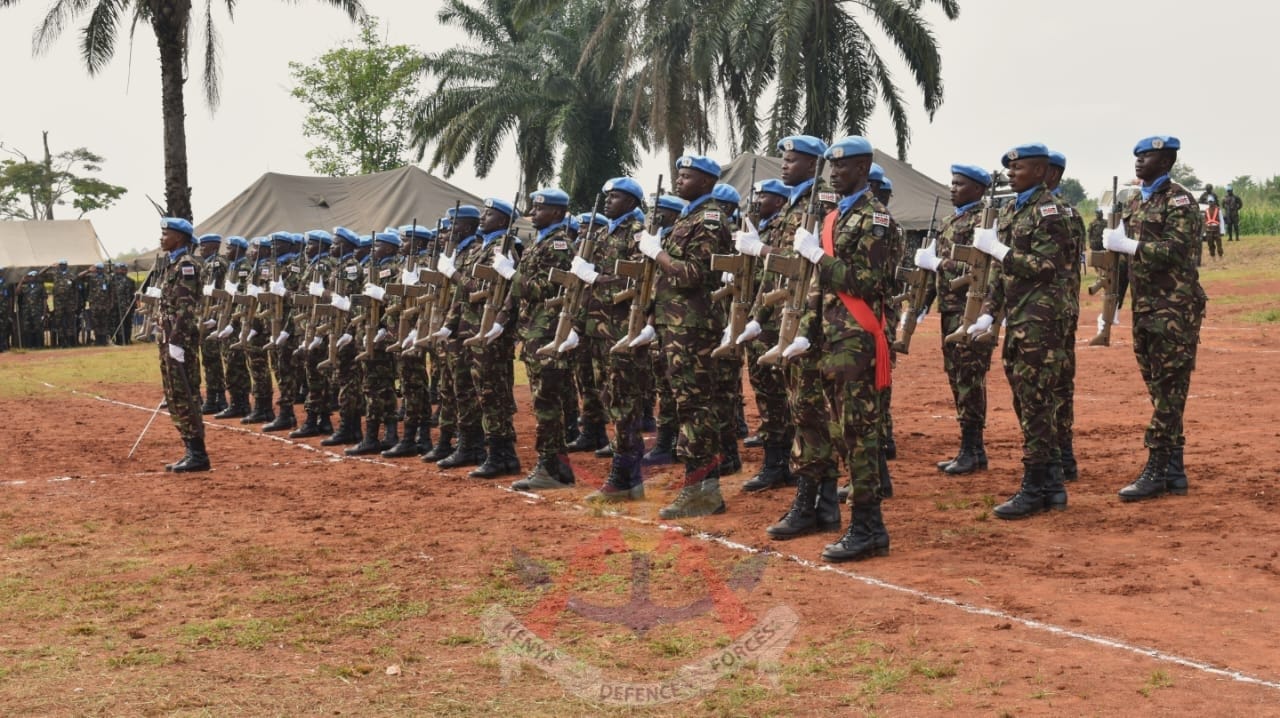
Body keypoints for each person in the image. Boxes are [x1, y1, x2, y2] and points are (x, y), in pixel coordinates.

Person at [970, 142, 1075, 520]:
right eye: (1010, 169)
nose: (1012, 174)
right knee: (1026, 399)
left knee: (1037, 402)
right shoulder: (1016, 209)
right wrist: (988, 313)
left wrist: (1000, 250)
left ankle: (1037, 486)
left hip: (1043, 320)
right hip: (1020, 317)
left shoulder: (1051, 211)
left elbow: (1046, 266)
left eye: (1020, 168)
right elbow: (1003, 272)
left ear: (1042, 172)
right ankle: (1051, 486)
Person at [1105, 135, 1207, 501]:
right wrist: (1112, 307)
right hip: (1145, 309)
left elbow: (1178, 252)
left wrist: (1130, 245)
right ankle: (1175, 468)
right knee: (1159, 388)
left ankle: (1157, 466)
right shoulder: (1136, 200)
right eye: (1137, 155)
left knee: (1169, 391)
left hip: (1174, 310)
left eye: (1147, 156)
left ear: (1165, 163)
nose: (1139, 161)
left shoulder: (1180, 201)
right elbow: (1125, 263)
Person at [638, 154, 732, 519]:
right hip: (676, 326)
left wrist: (657, 252)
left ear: (707, 182)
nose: (680, 180)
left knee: (695, 408)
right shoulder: (687, 217)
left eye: (688, 175)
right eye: (679, 174)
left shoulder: (709, 219)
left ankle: (702, 491)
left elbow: (694, 273)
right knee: (686, 406)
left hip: (692, 327)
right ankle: (701, 487)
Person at [566, 177, 653, 501]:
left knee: (625, 403)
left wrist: (595, 279)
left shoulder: (638, 235)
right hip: (599, 332)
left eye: (614, 196)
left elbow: (638, 282)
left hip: (623, 331)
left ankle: (625, 476)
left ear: (631, 201)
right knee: (612, 399)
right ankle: (626, 476)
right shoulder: (603, 233)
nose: (607, 201)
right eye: (606, 196)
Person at [490, 187, 578, 490]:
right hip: (535, 331)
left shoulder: (558, 245)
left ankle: (550, 469)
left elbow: (544, 290)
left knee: (547, 403)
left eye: (540, 209)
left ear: (556, 213)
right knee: (547, 401)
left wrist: (510, 274)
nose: (533, 214)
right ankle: (559, 467)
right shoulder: (539, 242)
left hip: (549, 331)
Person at [914, 163, 997, 476]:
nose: (952, 188)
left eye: (959, 184)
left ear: (978, 189)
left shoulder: (984, 223)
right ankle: (969, 448)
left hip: (971, 311)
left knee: (969, 379)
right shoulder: (951, 219)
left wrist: (937, 262)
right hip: (950, 311)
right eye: (952, 183)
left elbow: (979, 269)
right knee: (956, 376)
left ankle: (974, 449)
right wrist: (924, 304)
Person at [155, 217, 211, 473]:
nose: (161, 238)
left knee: (185, 394)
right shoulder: (172, 264)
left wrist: (177, 339)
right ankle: (190, 449)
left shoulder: (186, 265)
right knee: (174, 395)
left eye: (166, 233)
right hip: (168, 338)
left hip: (181, 341)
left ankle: (198, 454)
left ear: (179, 237)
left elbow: (186, 308)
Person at [1045, 151, 1084, 483]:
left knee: (1057, 384)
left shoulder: (1063, 214)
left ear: (1052, 175)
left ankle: (1063, 454)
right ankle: (1058, 455)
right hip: (1040, 311)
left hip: (1055, 311)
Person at [290, 229, 339, 439]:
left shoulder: (323, 266)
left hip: (318, 326)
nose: (307, 248)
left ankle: (314, 420)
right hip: (311, 324)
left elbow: (329, 299)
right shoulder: (315, 265)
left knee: (315, 374)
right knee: (317, 375)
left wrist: (319, 330)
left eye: (311, 244)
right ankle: (322, 419)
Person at [213, 237, 252, 419]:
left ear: (238, 249)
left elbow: (244, 298)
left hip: (236, 322)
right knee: (229, 361)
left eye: (229, 247)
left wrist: (232, 323)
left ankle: (241, 403)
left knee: (235, 364)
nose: (226, 250)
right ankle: (236, 401)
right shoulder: (233, 267)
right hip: (228, 319)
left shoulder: (244, 268)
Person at [195, 234, 229, 414]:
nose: (201, 249)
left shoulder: (216, 264)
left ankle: (218, 398)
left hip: (213, 317)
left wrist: (214, 317)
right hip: (207, 315)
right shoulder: (208, 263)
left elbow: (217, 293)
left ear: (214, 247)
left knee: (213, 360)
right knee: (209, 360)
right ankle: (213, 397)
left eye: (204, 246)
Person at [44, 260, 79, 348]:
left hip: (69, 303)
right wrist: (49, 266)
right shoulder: (55, 274)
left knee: (69, 323)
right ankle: (62, 342)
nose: (62, 266)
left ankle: (71, 342)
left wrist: (75, 303)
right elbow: (40, 274)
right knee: (59, 322)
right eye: (60, 265)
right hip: (59, 303)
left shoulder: (71, 275)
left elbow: (76, 291)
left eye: (63, 265)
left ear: (67, 265)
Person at [18, 270, 47, 349]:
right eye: (31, 276)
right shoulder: (25, 287)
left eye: (34, 276)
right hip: (27, 312)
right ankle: (29, 346)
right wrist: (21, 281)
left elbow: (44, 299)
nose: (33, 278)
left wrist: (44, 313)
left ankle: (39, 345)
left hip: (37, 311)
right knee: (27, 329)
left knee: (38, 329)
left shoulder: (41, 287)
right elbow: (17, 292)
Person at [0, 268, 12, 351]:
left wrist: (10, 309)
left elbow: (10, 297)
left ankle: (3, 346)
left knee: (4, 327)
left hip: (4, 307)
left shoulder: (6, 283)